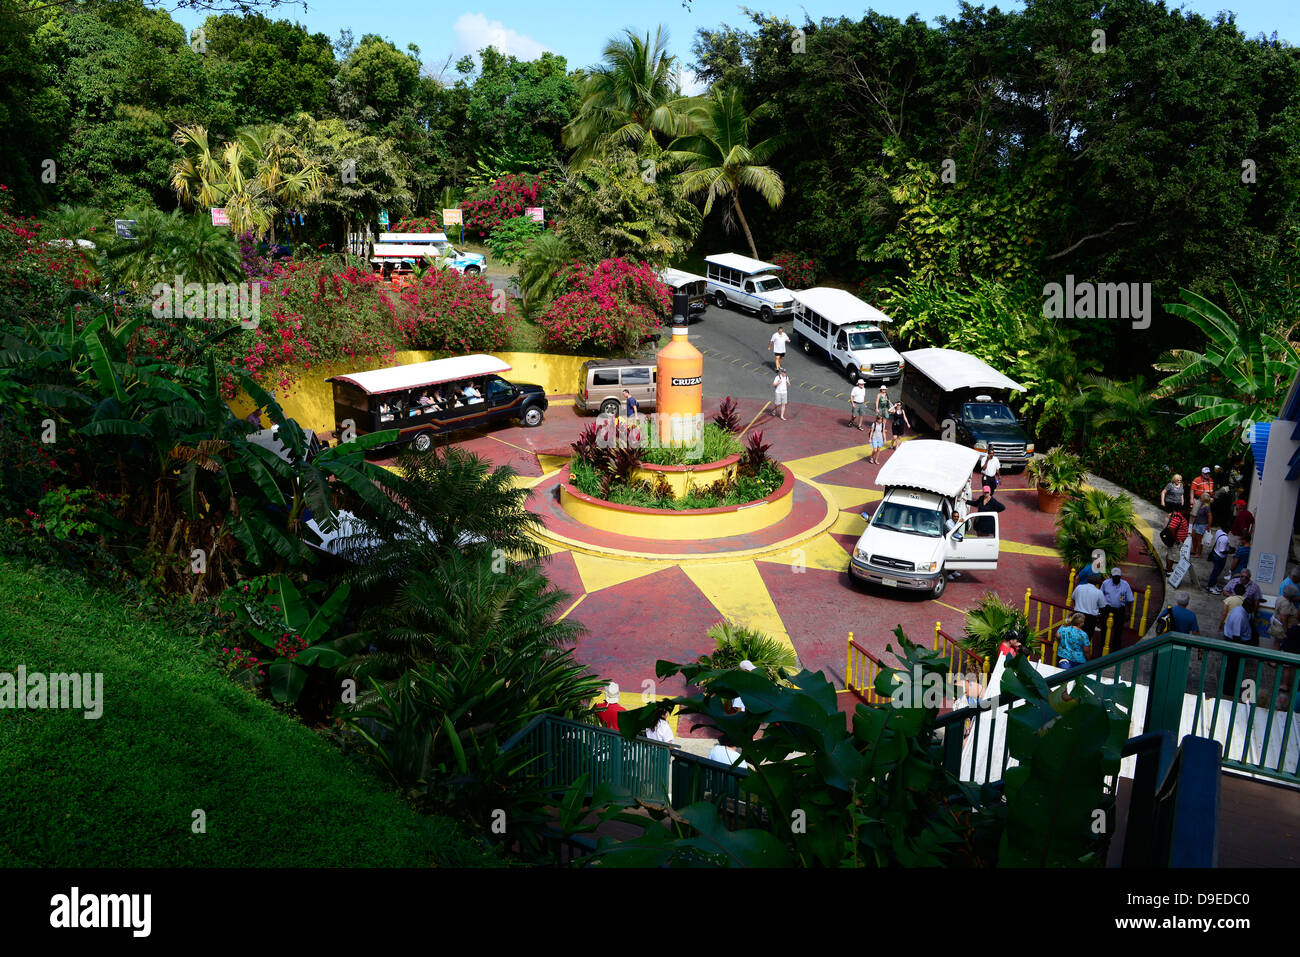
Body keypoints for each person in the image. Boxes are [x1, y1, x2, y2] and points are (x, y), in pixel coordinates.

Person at [1222, 596, 1259, 698]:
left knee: (1234, 668)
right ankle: (1230, 690)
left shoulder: (1240, 610)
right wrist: (1239, 649)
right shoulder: (1240, 616)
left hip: (1239, 641)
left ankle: (1231, 687)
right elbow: (1236, 635)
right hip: (1236, 643)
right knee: (1232, 668)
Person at [1100, 567, 1135, 647]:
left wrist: (1127, 612)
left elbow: (1129, 599)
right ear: (1111, 576)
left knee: (1118, 630)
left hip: (1119, 610)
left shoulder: (1125, 584)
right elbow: (1100, 596)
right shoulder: (1105, 583)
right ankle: (1103, 644)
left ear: (1120, 576)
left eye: (1118, 577)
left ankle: (1116, 647)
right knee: (1104, 628)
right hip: (1107, 609)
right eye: (1114, 577)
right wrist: (1101, 610)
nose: (1116, 578)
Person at [1071, 575, 1106, 643]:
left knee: (1074, 637)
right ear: (1096, 583)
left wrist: (1076, 607)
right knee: (1086, 639)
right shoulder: (1098, 592)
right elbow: (1102, 607)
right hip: (1090, 618)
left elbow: (1073, 598)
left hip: (1078, 614)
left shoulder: (1079, 587)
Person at [1162, 507, 1189, 572]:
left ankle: (1168, 568)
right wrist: (1176, 539)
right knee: (1171, 556)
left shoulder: (1181, 517)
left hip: (1178, 540)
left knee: (1170, 554)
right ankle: (1169, 570)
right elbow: (1171, 528)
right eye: (1188, 511)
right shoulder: (1178, 518)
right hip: (1175, 541)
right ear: (1183, 510)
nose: (1189, 512)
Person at [1207, 524, 1231, 594]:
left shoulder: (1218, 531)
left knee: (1215, 572)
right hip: (1220, 557)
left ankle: (1213, 585)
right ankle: (1210, 587)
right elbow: (1222, 550)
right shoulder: (1225, 538)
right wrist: (1230, 551)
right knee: (1216, 573)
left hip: (1215, 553)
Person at [1190, 492, 1212, 558]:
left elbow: (1210, 516)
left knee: (1199, 540)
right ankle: (1194, 550)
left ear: (1204, 499)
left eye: (1201, 497)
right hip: (1197, 523)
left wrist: (1209, 526)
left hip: (1202, 525)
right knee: (1193, 536)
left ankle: (1199, 554)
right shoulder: (1202, 504)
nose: (1200, 498)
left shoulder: (1207, 507)